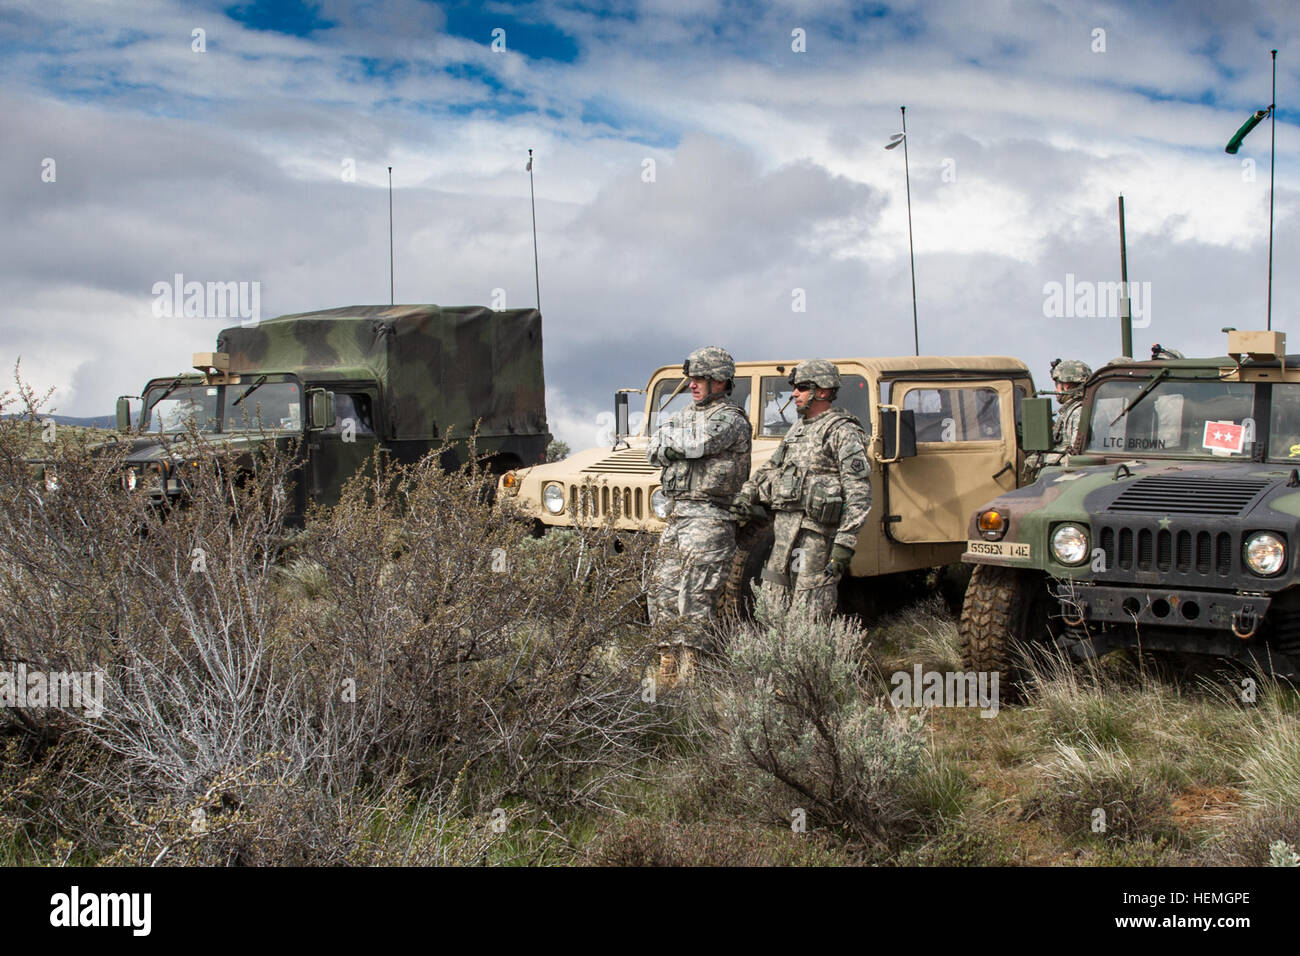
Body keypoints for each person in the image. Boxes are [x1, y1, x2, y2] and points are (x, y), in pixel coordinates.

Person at [730, 359, 871, 619]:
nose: (794, 393)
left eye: (802, 387)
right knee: (772, 606)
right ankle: (778, 658)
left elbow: (859, 493)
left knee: (809, 610)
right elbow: (771, 469)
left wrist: (844, 543)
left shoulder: (842, 431)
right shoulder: (797, 430)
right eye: (795, 387)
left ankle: (810, 659)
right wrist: (746, 494)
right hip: (783, 537)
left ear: (823, 391)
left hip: (815, 538)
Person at [646, 346, 752, 685]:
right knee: (661, 587)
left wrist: (674, 446)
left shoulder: (731, 419)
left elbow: (699, 444)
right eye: (691, 379)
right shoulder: (681, 416)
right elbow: (653, 449)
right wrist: (675, 444)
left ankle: (693, 673)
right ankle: (666, 663)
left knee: (696, 593)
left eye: (700, 379)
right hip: (677, 516)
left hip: (710, 517)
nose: (692, 385)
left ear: (719, 381)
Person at [1025, 357, 1092, 480]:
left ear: (1065, 386)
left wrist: (1044, 461)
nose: (1055, 390)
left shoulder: (1079, 412)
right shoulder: (1071, 411)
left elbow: (1076, 457)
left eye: (1057, 385)